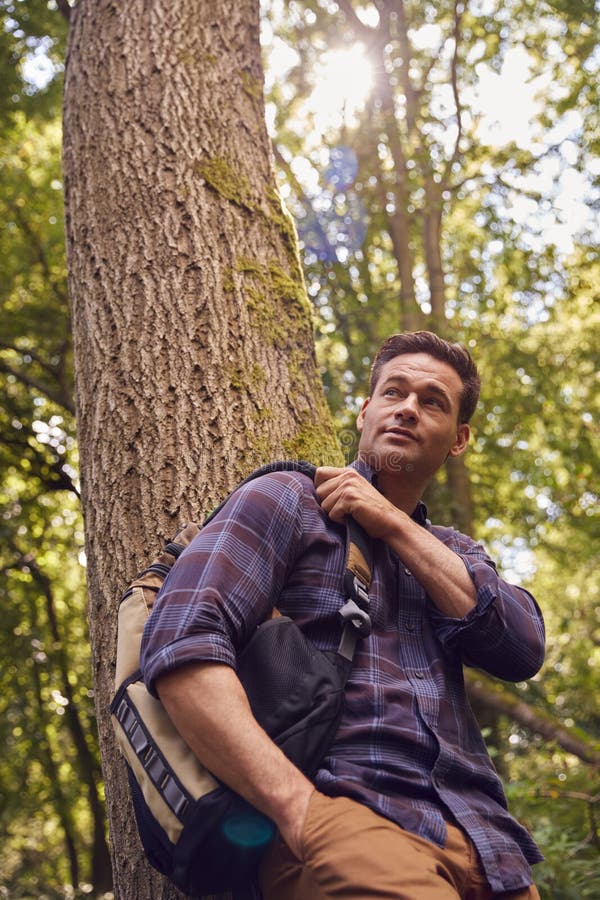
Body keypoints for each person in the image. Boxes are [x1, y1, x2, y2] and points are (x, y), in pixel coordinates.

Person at [141, 331, 545, 899]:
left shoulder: (457, 555)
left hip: (493, 854)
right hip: (351, 821)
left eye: (432, 401)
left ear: (459, 439)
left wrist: (394, 523)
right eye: (393, 392)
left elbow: (521, 648)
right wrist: (302, 814)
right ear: (365, 410)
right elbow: (182, 646)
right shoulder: (289, 498)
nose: (407, 407)